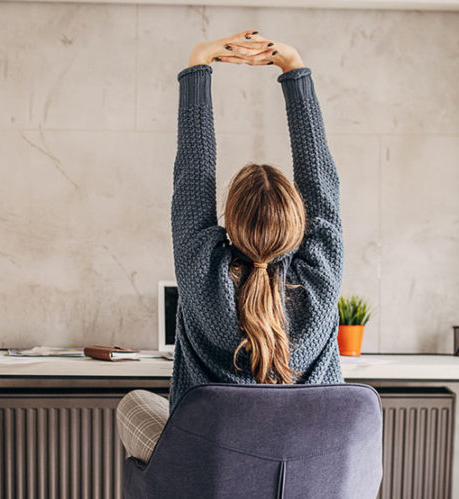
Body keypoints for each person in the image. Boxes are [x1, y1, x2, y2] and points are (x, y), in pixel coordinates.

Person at [117, 30, 344, 463]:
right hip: (308, 473)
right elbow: (321, 179)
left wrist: (199, 64)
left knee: (134, 402)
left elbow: (193, 173)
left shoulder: (202, 265)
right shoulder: (322, 272)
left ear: (230, 223)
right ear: (301, 223)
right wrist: (294, 68)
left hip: (209, 472)